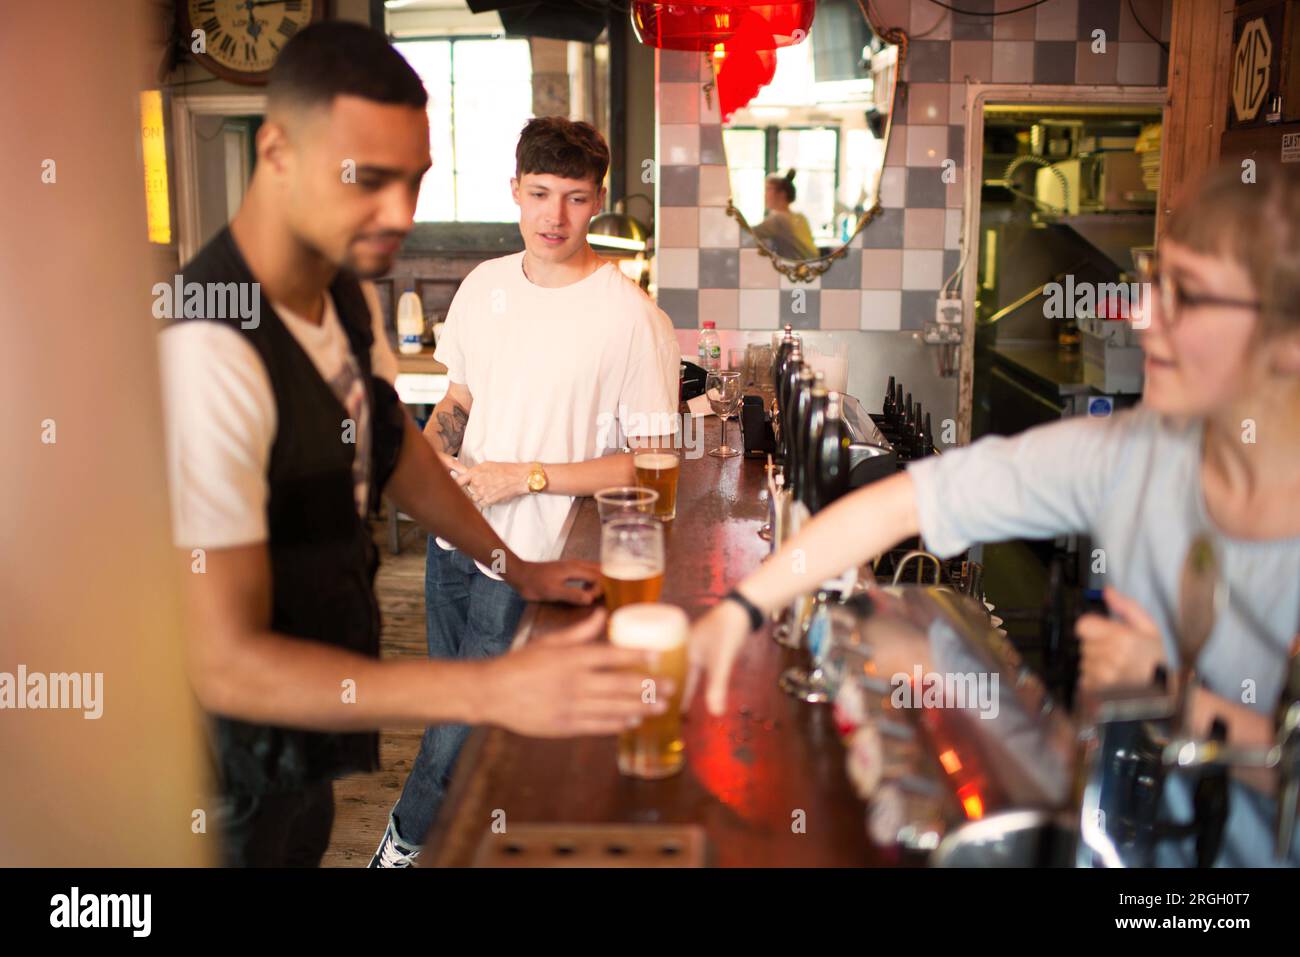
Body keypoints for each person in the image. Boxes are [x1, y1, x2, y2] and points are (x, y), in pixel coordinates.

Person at [158, 22, 669, 868]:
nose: (401, 214)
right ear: (278, 151)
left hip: (311, 743)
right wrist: (487, 686)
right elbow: (226, 665)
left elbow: (397, 447)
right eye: (369, 178)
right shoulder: (210, 341)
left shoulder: (340, 297)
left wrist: (518, 565)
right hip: (224, 771)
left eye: (416, 180)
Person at [687, 162, 1300, 867]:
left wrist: (1172, 698)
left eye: (1187, 297)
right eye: (1155, 281)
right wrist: (741, 608)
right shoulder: (1128, 455)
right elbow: (901, 501)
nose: (1141, 315)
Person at [372, 116, 682, 866]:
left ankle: (401, 847)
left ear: (598, 201)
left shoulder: (632, 318)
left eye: (575, 199)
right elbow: (459, 401)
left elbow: (654, 465)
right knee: (457, 712)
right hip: (454, 542)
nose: (554, 216)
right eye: (540, 193)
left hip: (531, 556)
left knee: (463, 729)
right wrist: (432, 456)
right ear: (514, 189)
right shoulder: (483, 287)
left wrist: (527, 475)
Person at [752, 170, 818, 260]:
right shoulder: (800, 217)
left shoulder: (778, 219)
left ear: (782, 194)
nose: (765, 194)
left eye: (768, 189)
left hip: (794, 270)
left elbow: (748, 233)